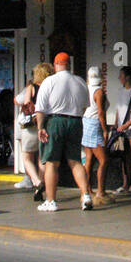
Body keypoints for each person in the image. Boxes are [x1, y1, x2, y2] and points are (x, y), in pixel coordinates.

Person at [34, 52, 92, 212]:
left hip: (55, 121)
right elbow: (85, 106)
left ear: (55, 64)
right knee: (75, 160)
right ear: (69, 64)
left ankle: (51, 200)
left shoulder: (49, 81)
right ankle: (86, 195)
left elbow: (40, 108)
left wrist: (40, 127)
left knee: (52, 162)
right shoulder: (80, 82)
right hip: (75, 120)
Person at [14, 63, 51, 199]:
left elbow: (27, 104)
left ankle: (36, 182)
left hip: (31, 127)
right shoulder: (51, 87)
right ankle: (39, 189)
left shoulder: (31, 87)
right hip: (46, 124)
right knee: (42, 158)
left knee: (27, 157)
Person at [110, 66, 131, 196]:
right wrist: (116, 123)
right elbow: (119, 109)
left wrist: (127, 124)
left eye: (121, 76)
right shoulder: (120, 91)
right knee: (123, 155)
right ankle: (125, 182)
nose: (120, 78)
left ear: (128, 77)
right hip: (121, 129)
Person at [81, 67, 112, 206]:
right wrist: (105, 130)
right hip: (94, 124)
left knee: (88, 159)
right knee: (103, 160)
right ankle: (100, 191)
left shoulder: (85, 89)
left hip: (85, 122)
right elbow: (101, 112)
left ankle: (86, 191)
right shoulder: (98, 92)